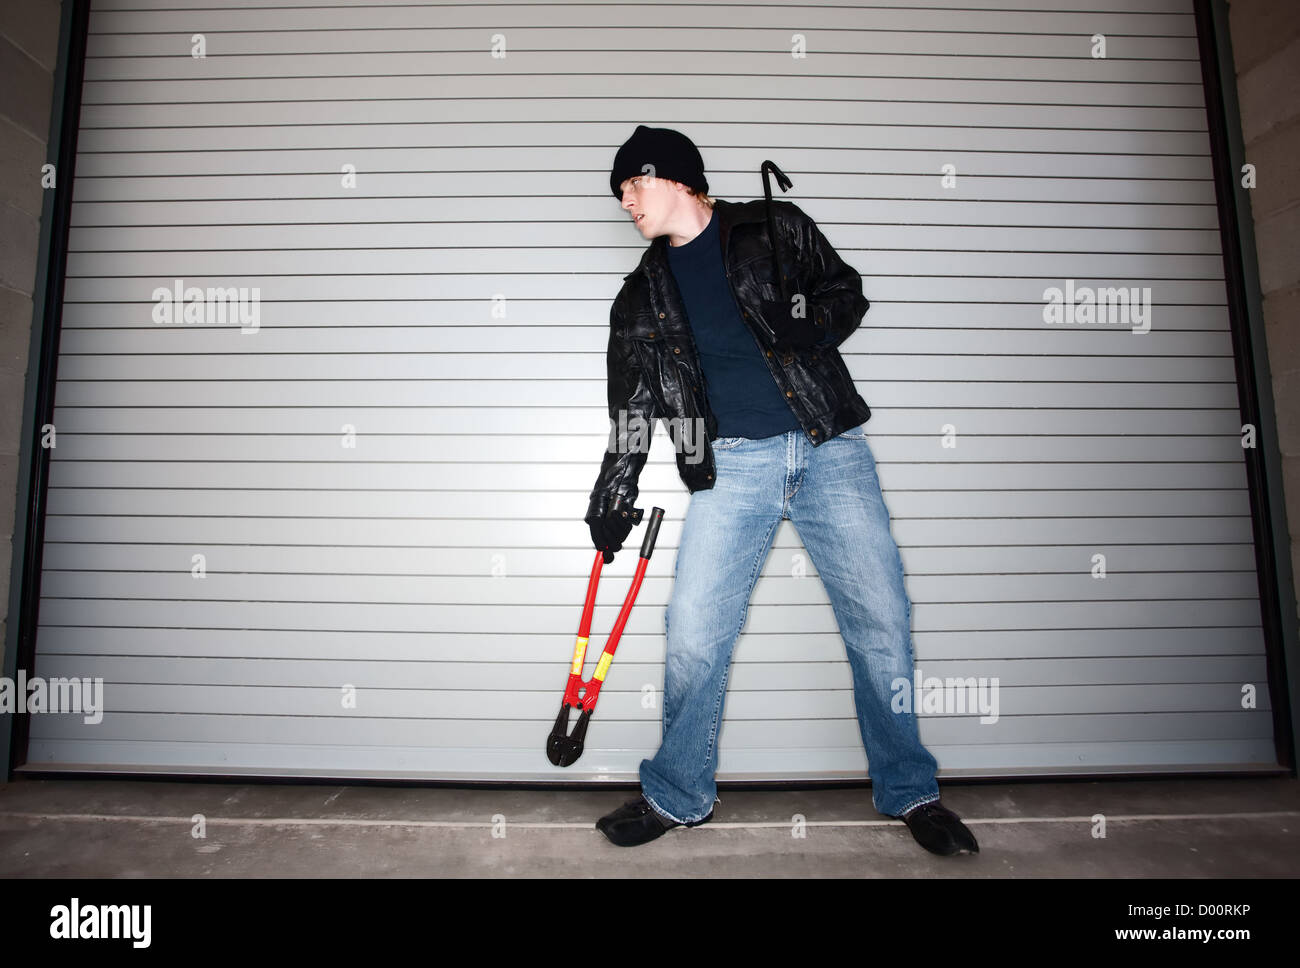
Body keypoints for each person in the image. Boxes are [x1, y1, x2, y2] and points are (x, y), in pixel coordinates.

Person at [585, 125, 978, 856]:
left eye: (634, 185)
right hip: (728, 465)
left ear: (676, 178)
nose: (626, 203)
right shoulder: (639, 297)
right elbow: (634, 407)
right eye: (621, 195)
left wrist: (809, 320)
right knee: (695, 634)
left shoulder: (774, 229)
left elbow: (845, 291)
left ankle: (910, 792)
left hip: (831, 449)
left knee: (882, 624)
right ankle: (678, 794)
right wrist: (615, 486)